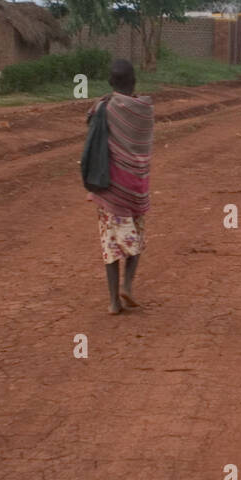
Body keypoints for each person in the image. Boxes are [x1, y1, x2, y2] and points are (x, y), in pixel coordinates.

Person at [86, 59, 155, 315]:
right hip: (136, 185)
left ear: (110, 82)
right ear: (134, 82)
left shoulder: (103, 107)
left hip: (109, 187)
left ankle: (114, 301)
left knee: (111, 244)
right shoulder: (145, 109)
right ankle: (128, 284)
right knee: (136, 236)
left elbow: (91, 126)